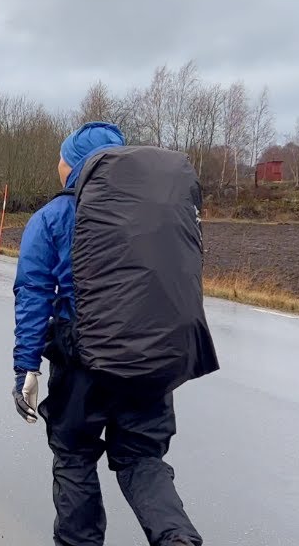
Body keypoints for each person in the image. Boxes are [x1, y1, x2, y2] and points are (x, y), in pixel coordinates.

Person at [11, 122, 212, 546]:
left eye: (61, 159)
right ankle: (175, 538)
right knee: (142, 458)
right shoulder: (155, 213)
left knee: (75, 457)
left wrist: (25, 367)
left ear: (73, 165)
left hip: (83, 359)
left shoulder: (53, 217)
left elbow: (33, 294)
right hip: (151, 356)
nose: (58, 166)